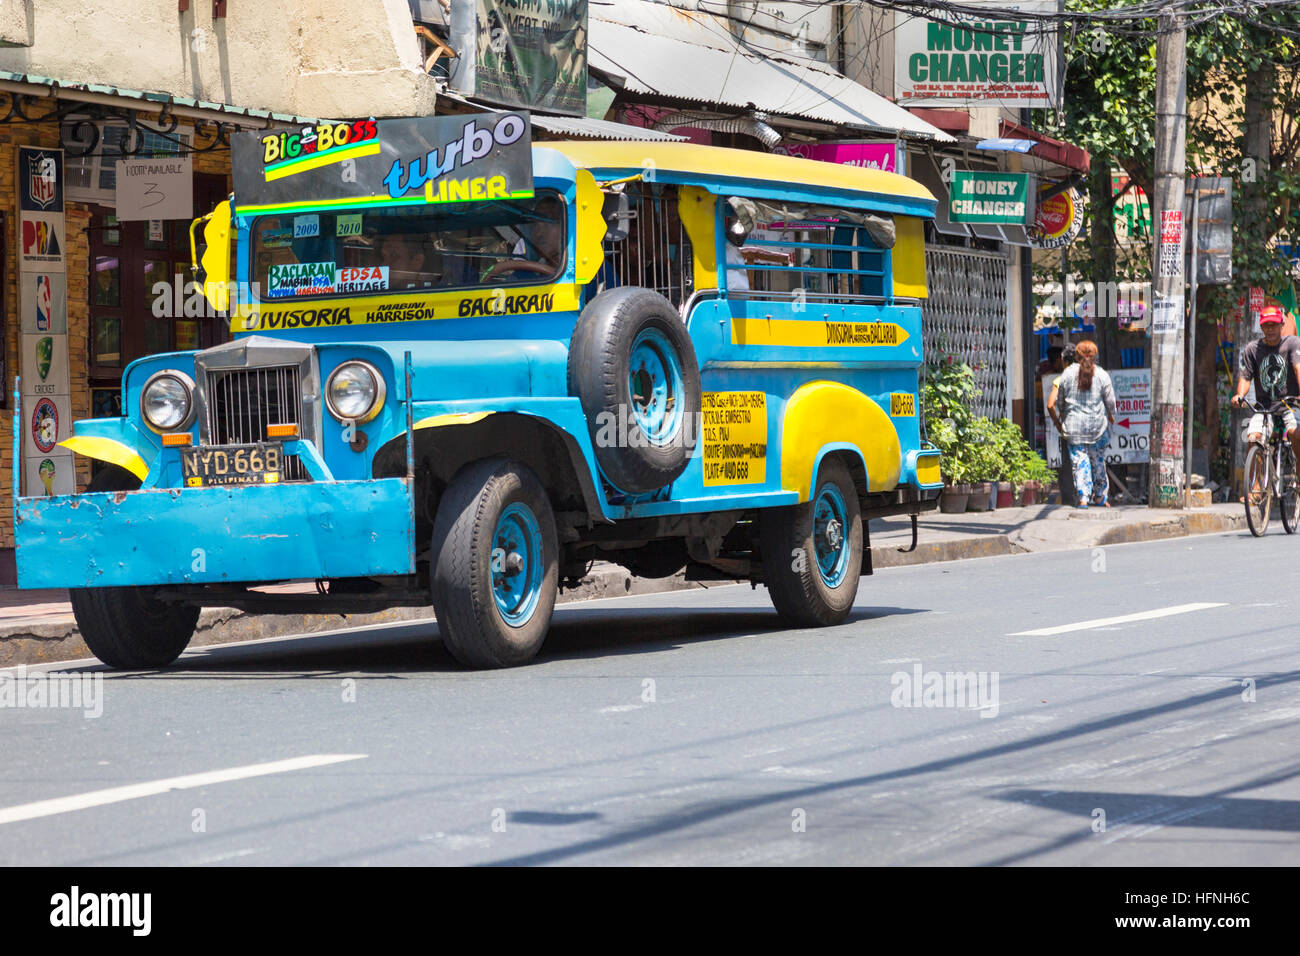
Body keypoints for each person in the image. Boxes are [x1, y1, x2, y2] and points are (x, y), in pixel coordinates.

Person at [1047, 340, 1116, 509]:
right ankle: (1099, 497)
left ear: (1076, 356)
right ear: (1095, 356)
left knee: (1080, 462)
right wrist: (1111, 415)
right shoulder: (1102, 375)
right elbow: (1111, 402)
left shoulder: (1067, 374)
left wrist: (1062, 418)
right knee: (1098, 461)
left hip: (1074, 428)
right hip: (1097, 428)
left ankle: (1083, 498)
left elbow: (1060, 402)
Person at [1231, 307, 1300, 466]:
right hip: (1264, 407)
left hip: (1291, 405)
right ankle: (1255, 488)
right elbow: (1245, 377)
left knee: (1295, 433)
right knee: (1253, 438)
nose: (1270, 329)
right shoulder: (1252, 350)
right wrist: (1239, 395)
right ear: (1261, 327)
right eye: (1267, 325)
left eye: (1274, 325)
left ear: (1282, 325)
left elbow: (1298, 368)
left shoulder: (1292, 344)